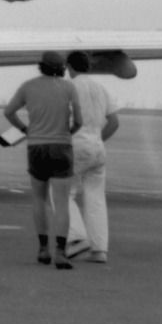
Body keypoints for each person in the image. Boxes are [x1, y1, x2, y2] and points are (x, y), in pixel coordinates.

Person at [2, 51, 81, 268]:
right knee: (62, 201)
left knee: (39, 198)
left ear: (41, 66)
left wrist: (25, 129)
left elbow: (9, 111)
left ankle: (43, 248)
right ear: (62, 68)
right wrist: (68, 132)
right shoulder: (68, 87)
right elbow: (79, 120)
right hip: (62, 146)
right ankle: (61, 252)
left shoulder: (28, 86)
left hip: (36, 146)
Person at [64, 51, 121, 264]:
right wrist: (97, 140)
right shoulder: (101, 88)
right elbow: (114, 122)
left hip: (75, 145)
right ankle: (99, 250)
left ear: (70, 67)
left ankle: (77, 238)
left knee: (61, 192)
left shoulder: (69, 88)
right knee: (95, 197)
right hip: (97, 147)